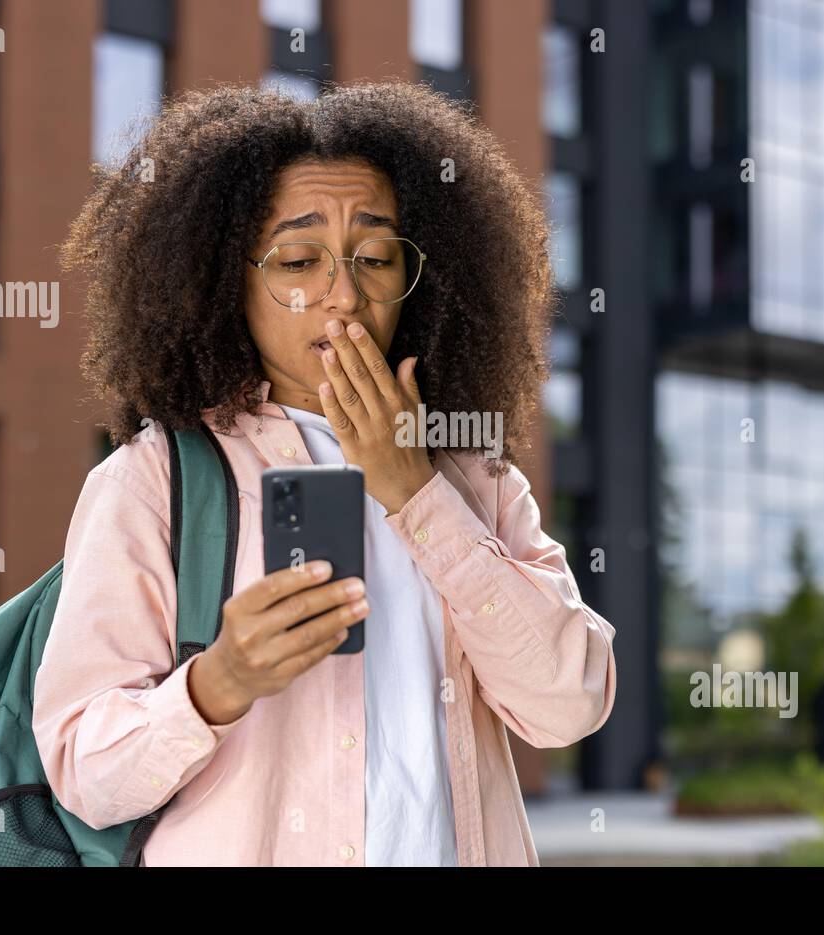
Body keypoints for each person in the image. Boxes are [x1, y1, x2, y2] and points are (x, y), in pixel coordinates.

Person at [32, 80, 617, 866]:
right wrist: (218, 682)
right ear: (223, 280)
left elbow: (569, 702)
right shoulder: (156, 480)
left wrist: (416, 491)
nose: (344, 294)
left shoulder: (477, 476)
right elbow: (83, 770)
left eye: (375, 256)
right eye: (300, 259)